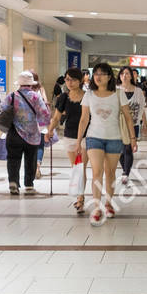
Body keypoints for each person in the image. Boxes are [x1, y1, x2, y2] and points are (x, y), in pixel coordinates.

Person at [76, 62, 126, 225]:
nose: (97, 76)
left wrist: (132, 139)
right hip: (93, 137)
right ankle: (97, 208)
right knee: (97, 172)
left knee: (110, 173)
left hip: (114, 138)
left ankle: (109, 203)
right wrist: (79, 141)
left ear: (109, 77)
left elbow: (128, 116)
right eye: (95, 73)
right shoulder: (89, 94)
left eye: (102, 74)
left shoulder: (119, 93)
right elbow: (84, 119)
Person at [0, 71, 50, 195]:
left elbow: (2, 108)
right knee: (31, 159)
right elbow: (45, 114)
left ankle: (13, 183)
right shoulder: (36, 96)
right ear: (31, 84)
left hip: (14, 133)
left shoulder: (12, 96)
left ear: (20, 84)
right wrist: (44, 125)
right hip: (32, 135)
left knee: (13, 159)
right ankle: (29, 185)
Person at [48, 68, 87, 214]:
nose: (69, 82)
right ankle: (80, 195)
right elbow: (57, 117)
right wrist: (50, 130)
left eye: (73, 79)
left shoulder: (87, 96)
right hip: (70, 135)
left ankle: (80, 198)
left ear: (80, 81)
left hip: (85, 136)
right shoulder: (63, 97)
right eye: (67, 79)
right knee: (75, 167)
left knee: (81, 167)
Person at [115, 65, 144, 186]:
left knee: (128, 149)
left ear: (131, 76)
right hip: (118, 124)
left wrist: (144, 123)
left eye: (127, 74)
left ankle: (126, 173)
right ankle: (125, 170)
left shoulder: (138, 91)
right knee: (120, 150)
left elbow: (142, 107)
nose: (124, 76)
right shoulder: (116, 89)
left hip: (133, 124)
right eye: (122, 74)